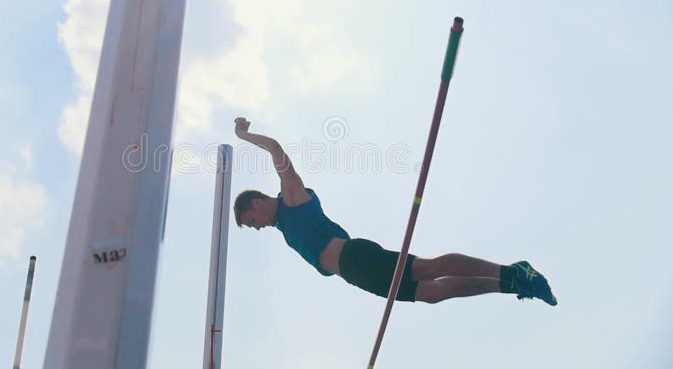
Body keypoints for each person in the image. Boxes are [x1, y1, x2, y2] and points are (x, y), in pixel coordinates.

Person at [232, 117, 557, 305]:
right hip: (357, 276)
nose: (257, 226)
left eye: (252, 220)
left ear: (257, 203)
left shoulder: (291, 199)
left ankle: (510, 271)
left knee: (428, 269)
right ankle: (514, 283)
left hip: (356, 259)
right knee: (433, 294)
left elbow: (275, 149)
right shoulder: (284, 228)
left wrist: (243, 135)